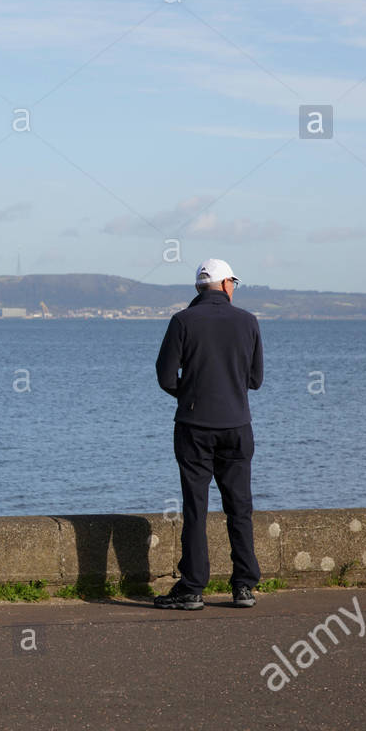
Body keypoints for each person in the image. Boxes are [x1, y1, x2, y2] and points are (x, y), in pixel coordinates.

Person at [154, 258, 263, 610]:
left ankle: (192, 588)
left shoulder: (182, 321)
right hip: (236, 425)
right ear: (227, 285)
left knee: (195, 508)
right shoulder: (247, 321)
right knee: (240, 507)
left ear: (200, 288)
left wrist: (193, 394)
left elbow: (166, 377)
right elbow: (255, 379)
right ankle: (244, 586)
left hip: (194, 427)